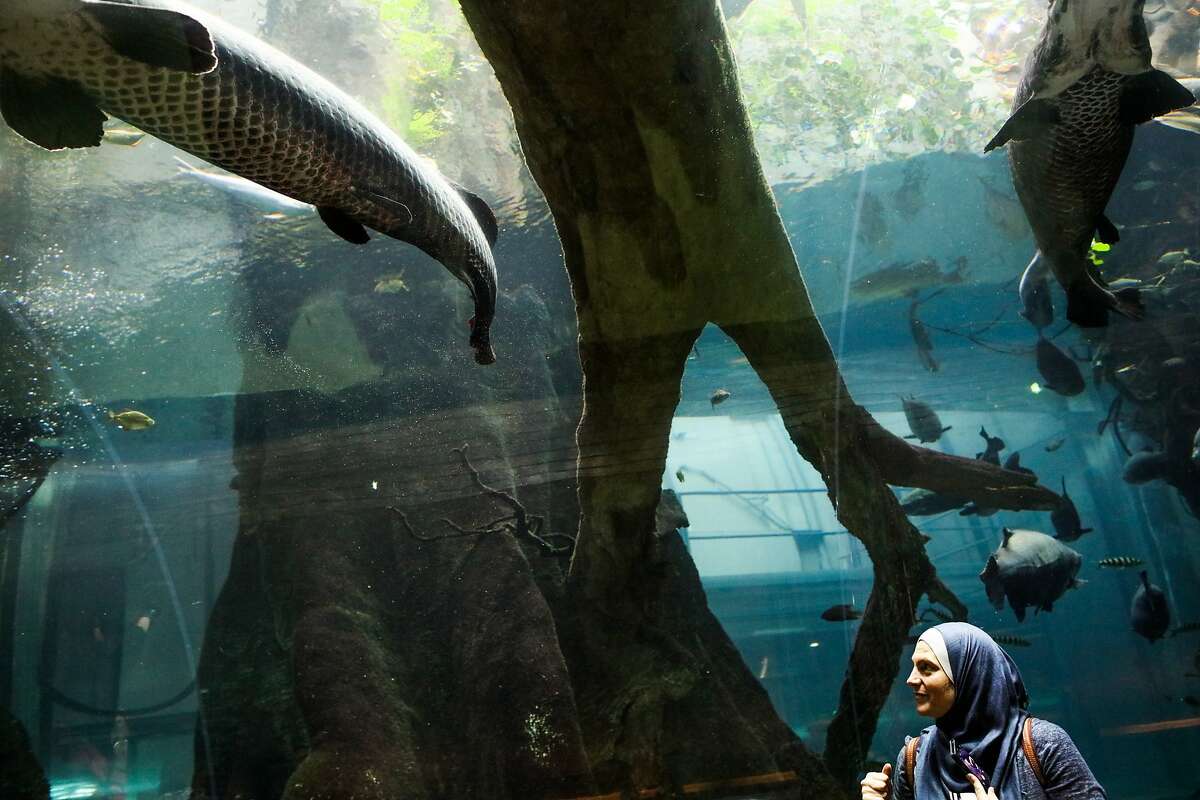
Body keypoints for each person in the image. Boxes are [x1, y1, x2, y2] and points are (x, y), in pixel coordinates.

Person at [860, 622, 1106, 800]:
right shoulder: (914, 757)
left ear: (969, 676)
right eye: (914, 667)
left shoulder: (1041, 744)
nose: (911, 680)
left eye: (927, 668)